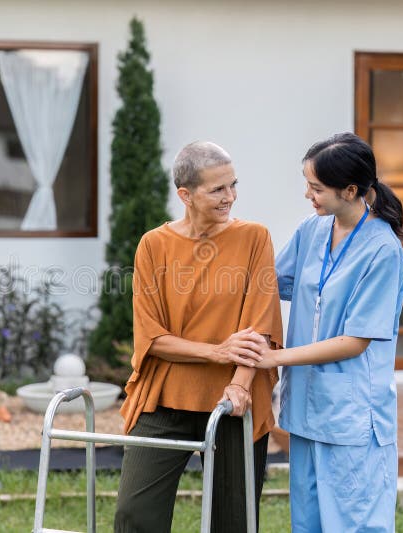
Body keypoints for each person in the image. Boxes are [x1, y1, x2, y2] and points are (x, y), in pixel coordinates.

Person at [114, 141, 283, 533]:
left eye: (233, 185)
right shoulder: (153, 245)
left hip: (232, 400)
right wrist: (216, 351)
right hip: (165, 396)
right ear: (185, 196)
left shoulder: (255, 238)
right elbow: (152, 338)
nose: (231, 197)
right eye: (218, 189)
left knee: (233, 522)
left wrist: (240, 386)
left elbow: (260, 323)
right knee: (134, 515)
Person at [248, 132, 403, 532]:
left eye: (316, 188)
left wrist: (274, 357)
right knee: (308, 522)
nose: (308, 195)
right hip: (305, 409)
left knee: (355, 524)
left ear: (350, 190)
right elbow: (269, 282)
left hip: (352, 416)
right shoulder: (311, 231)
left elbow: (355, 341)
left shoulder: (383, 251)